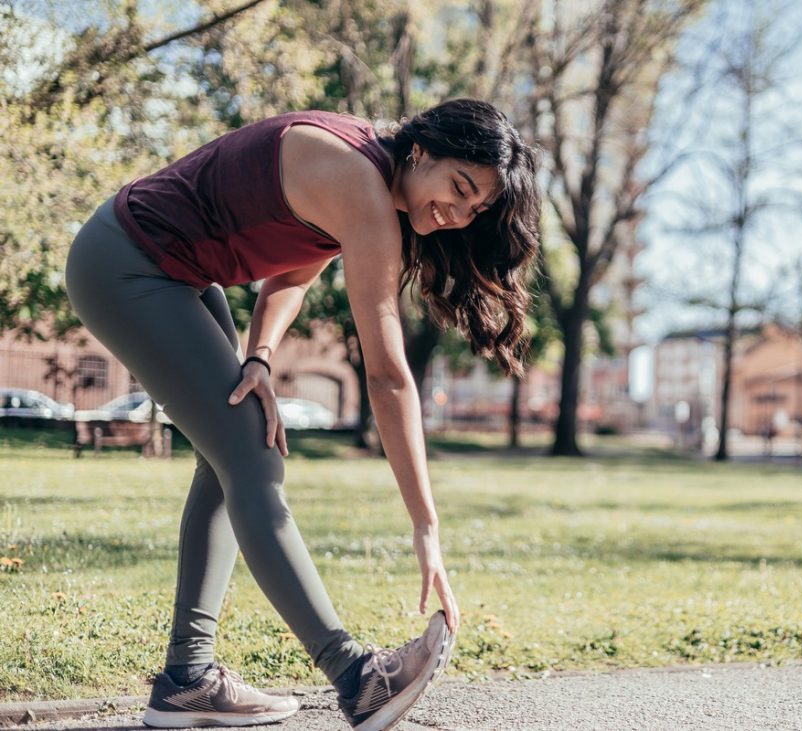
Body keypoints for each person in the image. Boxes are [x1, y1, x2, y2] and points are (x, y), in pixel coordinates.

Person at [64, 98, 540, 731]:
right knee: (253, 459)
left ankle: (188, 680)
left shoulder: (362, 178)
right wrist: (426, 526)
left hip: (175, 273)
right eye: (458, 187)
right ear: (420, 150)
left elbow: (291, 274)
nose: (456, 215)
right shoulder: (358, 184)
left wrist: (259, 357)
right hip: (127, 262)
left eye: (473, 208)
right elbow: (387, 374)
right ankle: (357, 678)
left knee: (230, 454)